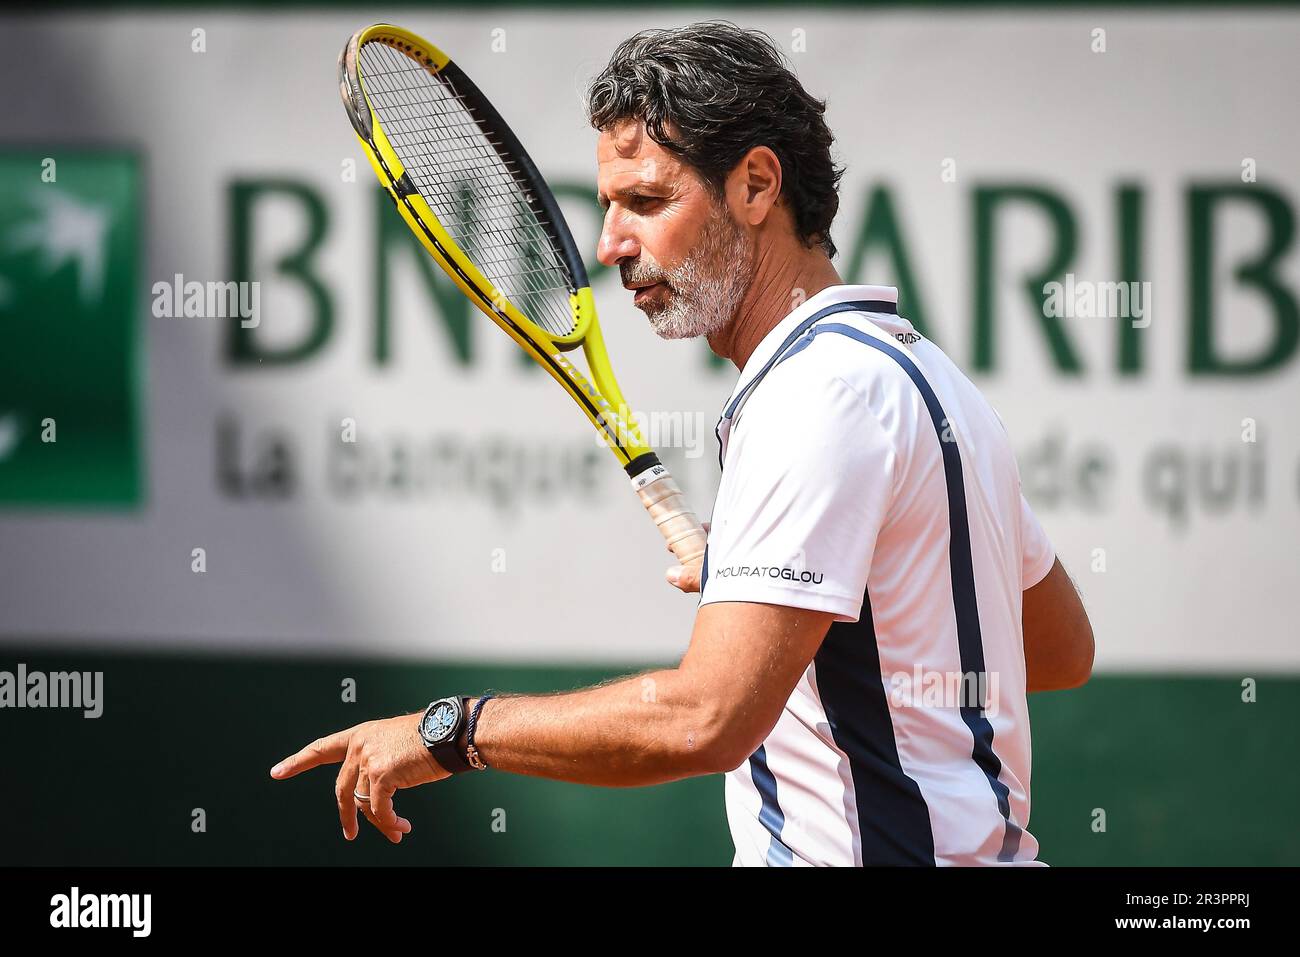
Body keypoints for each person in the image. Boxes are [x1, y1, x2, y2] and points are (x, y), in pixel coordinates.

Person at [271, 20, 1094, 866]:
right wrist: (809, 594)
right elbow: (1062, 648)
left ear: (757, 184)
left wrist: (453, 730)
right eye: (608, 207)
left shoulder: (814, 398)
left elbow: (703, 720)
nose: (610, 246)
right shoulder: (937, 384)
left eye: (649, 201)